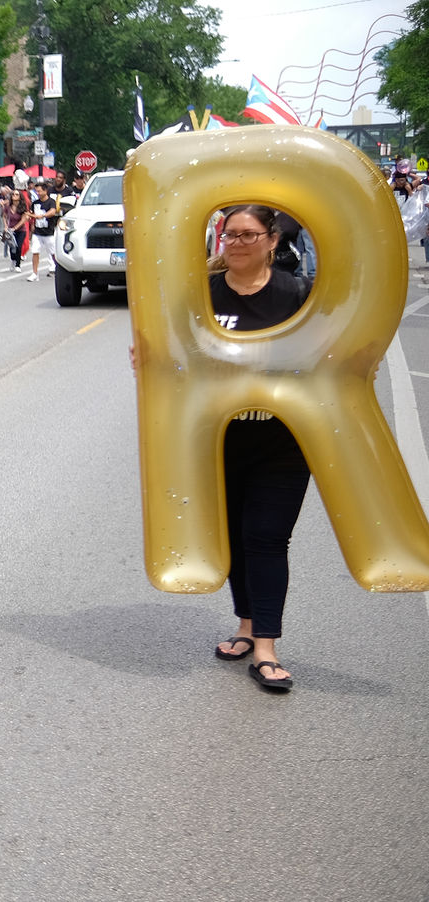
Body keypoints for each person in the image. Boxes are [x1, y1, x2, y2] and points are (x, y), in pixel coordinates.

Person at [200, 205, 313, 691]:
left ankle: (266, 646)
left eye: (250, 235)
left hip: (282, 440)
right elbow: (176, 354)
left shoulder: (298, 294)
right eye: (231, 234)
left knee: (267, 537)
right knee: (232, 539)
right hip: (218, 438)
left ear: (272, 240)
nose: (239, 242)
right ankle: (245, 624)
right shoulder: (203, 293)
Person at [26, 183, 60, 281]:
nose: (38, 193)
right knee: (35, 251)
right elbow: (31, 214)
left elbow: (53, 212)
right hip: (37, 232)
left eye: (39, 191)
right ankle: (35, 273)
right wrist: (30, 219)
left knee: (53, 253)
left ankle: (58, 270)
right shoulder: (35, 203)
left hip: (49, 232)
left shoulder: (51, 202)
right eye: (36, 191)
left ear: (45, 191)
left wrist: (42, 216)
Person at [4, 193, 31, 273]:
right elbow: (4, 216)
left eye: (16, 194)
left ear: (20, 197)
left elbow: (23, 220)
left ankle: (18, 265)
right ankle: (13, 260)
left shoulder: (22, 207)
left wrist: (15, 228)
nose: (14, 196)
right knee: (12, 247)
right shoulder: (8, 207)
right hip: (10, 230)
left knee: (18, 246)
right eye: (13, 194)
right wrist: (6, 226)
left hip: (21, 230)